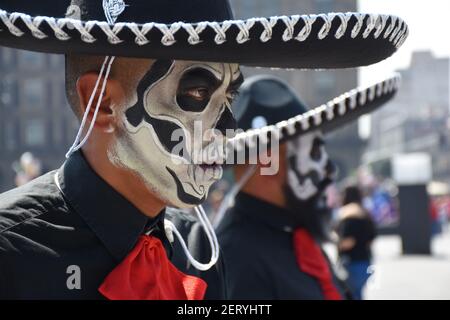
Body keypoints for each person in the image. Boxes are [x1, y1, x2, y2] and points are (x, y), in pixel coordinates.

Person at [0, 0, 407, 299]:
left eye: (229, 97)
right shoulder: (11, 252)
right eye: (197, 91)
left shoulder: (199, 252)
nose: (229, 128)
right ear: (104, 103)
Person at [215, 74, 400, 299]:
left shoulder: (293, 235)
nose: (329, 168)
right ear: (267, 161)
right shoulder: (237, 259)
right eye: (314, 152)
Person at [337, 184, 377, 300]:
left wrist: (336, 241)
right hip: (365, 262)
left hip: (352, 263)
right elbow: (371, 238)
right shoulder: (364, 213)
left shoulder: (348, 214)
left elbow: (348, 241)